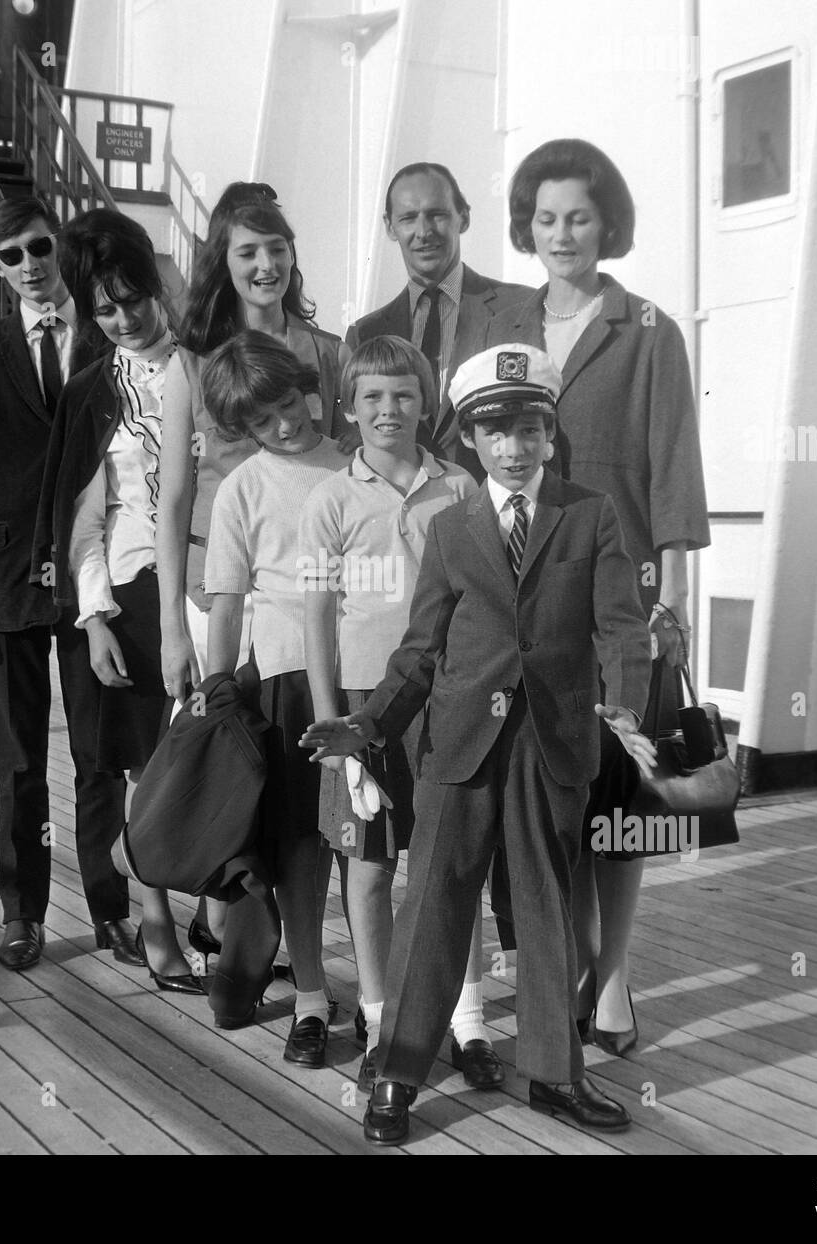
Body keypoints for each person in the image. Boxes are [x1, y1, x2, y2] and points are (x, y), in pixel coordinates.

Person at [301, 344, 657, 1145]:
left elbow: (622, 628)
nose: (515, 447)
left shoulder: (590, 514)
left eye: (529, 428)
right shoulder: (452, 528)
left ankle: (555, 1076)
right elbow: (421, 651)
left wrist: (626, 707)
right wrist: (368, 725)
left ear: (550, 432)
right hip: (458, 746)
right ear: (468, 439)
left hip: (551, 746)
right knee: (432, 906)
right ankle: (396, 1074)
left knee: (546, 910)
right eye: (495, 432)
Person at [486, 139, 711, 1056]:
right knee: (555, 789)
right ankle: (576, 957)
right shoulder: (506, 320)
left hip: (624, 592)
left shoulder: (649, 326)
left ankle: (612, 978)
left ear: (605, 221)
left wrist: (673, 601)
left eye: (578, 216)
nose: (562, 233)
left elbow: (675, 470)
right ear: (527, 226)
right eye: (545, 218)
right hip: (530, 582)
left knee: (621, 791)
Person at [157, 188, 349, 960]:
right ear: (224, 264)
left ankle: (264, 942)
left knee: (296, 787)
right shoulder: (193, 361)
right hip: (219, 594)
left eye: (277, 247)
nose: (266, 264)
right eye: (247, 252)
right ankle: (234, 926)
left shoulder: (327, 353)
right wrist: (175, 625)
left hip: (310, 604)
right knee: (227, 772)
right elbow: (172, 497)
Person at [0, 195, 129, 973]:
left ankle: (112, 908)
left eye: (38, 247)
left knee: (97, 754)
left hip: (91, 575)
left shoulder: (107, 339)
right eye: (10, 255)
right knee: (18, 761)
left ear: (60, 247)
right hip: (6, 573)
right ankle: (23, 914)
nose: (28, 265)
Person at [300, 335, 481, 1090]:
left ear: (427, 402)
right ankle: (378, 1014)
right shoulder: (331, 498)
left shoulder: (461, 488)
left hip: (446, 701)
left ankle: (465, 1020)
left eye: (403, 395)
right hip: (360, 710)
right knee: (369, 867)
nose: (388, 409)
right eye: (371, 396)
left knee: (449, 865)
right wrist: (331, 730)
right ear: (348, 407)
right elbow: (315, 615)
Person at [34, 207, 203, 993]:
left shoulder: (208, 370)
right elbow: (84, 520)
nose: (125, 317)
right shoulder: (89, 393)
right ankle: (157, 926)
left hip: (213, 592)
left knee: (220, 758)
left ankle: (233, 925)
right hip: (131, 598)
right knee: (144, 770)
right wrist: (93, 617)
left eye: (134, 297)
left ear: (155, 288)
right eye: (105, 307)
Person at [201, 332, 347, 1055]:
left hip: (370, 674)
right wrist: (214, 688)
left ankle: (380, 993)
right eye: (263, 421)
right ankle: (313, 996)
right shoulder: (243, 488)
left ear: (305, 386)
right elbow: (226, 603)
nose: (285, 425)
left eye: (289, 403)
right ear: (243, 430)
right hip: (289, 676)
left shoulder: (358, 466)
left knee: (369, 849)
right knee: (301, 848)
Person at [346, 162, 532, 462]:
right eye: (408, 218)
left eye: (437, 215)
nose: (424, 232)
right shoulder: (365, 335)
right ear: (390, 227)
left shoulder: (521, 310)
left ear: (464, 217)